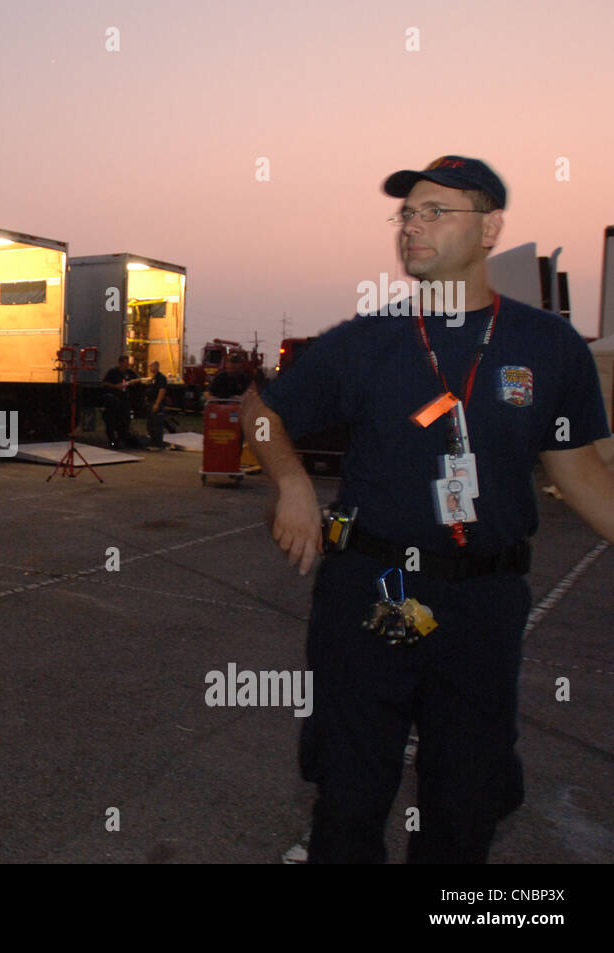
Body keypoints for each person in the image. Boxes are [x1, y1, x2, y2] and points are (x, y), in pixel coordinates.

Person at [243, 155, 614, 864]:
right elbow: (260, 410)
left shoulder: (549, 348)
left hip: (484, 604)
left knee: (466, 804)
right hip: (374, 589)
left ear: (490, 228)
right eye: (406, 213)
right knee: (348, 796)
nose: (412, 225)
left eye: (435, 211)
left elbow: (584, 476)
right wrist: (290, 483)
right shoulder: (366, 340)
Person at [101, 354, 139, 449]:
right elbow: (104, 383)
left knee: (125, 420)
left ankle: (123, 438)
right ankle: (112, 440)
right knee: (111, 420)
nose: (127, 366)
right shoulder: (113, 372)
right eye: (125, 364)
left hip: (124, 400)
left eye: (128, 364)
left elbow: (137, 379)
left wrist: (134, 382)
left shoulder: (129, 373)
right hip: (113, 400)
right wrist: (115, 386)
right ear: (120, 363)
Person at [145, 360, 168, 450]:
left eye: (152, 366)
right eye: (150, 366)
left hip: (156, 403)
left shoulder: (161, 378)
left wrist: (157, 403)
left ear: (157, 367)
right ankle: (152, 442)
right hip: (150, 403)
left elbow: (162, 391)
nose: (150, 368)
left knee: (157, 424)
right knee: (150, 424)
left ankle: (158, 444)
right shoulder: (152, 378)